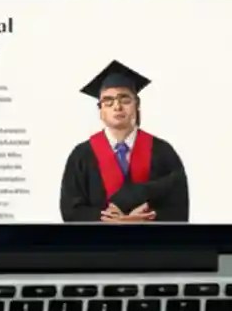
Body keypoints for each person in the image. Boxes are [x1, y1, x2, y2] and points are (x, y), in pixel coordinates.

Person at [59, 60, 190, 223]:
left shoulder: (163, 152)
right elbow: (71, 211)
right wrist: (109, 220)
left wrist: (147, 219)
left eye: (125, 99)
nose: (117, 106)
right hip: (100, 246)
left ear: (137, 105)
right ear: (100, 110)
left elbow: (179, 210)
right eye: (108, 101)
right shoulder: (81, 155)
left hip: (150, 246)